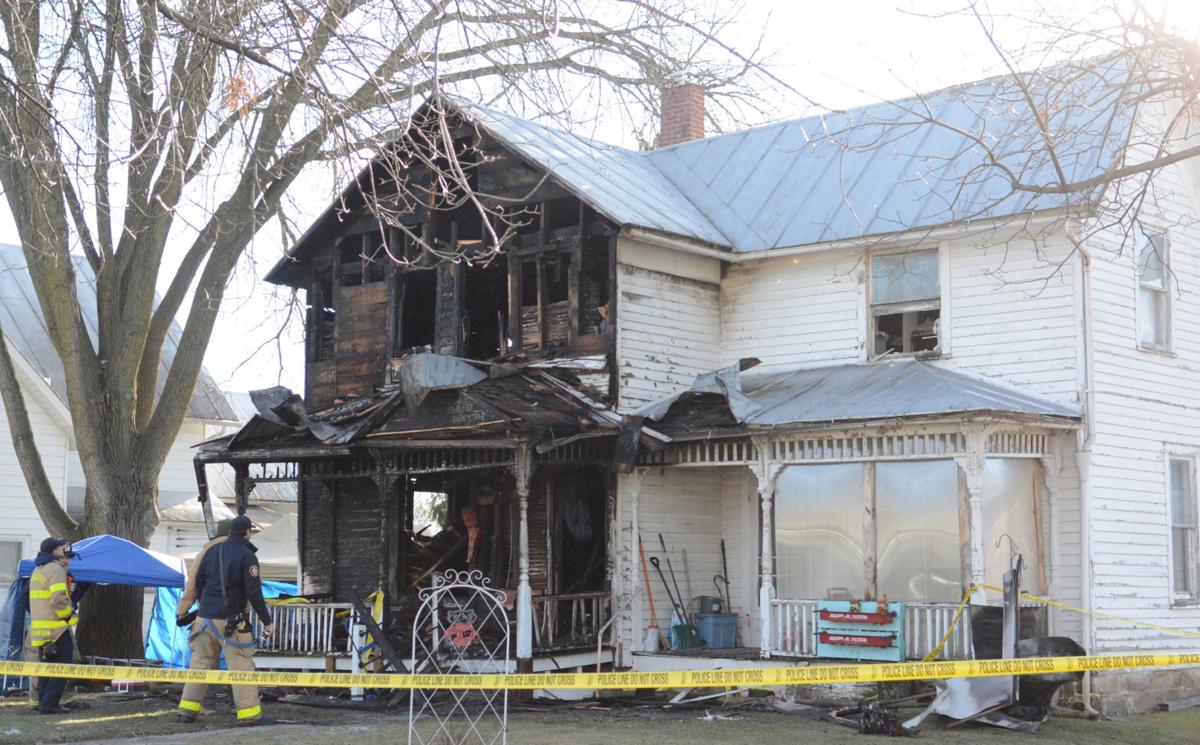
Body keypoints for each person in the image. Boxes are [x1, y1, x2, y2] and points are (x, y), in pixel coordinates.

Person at [177, 515, 274, 726]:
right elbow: (254, 592)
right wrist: (267, 621)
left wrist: (196, 609)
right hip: (232, 622)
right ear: (248, 532)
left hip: (203, 620)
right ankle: (250, 715)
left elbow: (196, 584)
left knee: (199, 665)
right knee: (241, 667)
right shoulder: (247, 555)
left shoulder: (210, 552)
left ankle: (186, 712)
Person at [28, 537, 77, 714]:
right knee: (62, 666)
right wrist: (69, 616)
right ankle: (50, 704)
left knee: (47, 667)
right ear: (54, 551)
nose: (64, 552)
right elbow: (57, 599)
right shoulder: (55, 568)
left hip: (40, 630)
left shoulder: (38, 569)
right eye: (60, 549)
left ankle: (44, 702)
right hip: (56, 628)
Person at [177, 519, 232, 625]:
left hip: (209, 613)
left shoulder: (203, 554)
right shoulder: (242, 553)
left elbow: (192, 586)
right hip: (234, 616)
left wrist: (182, 611)